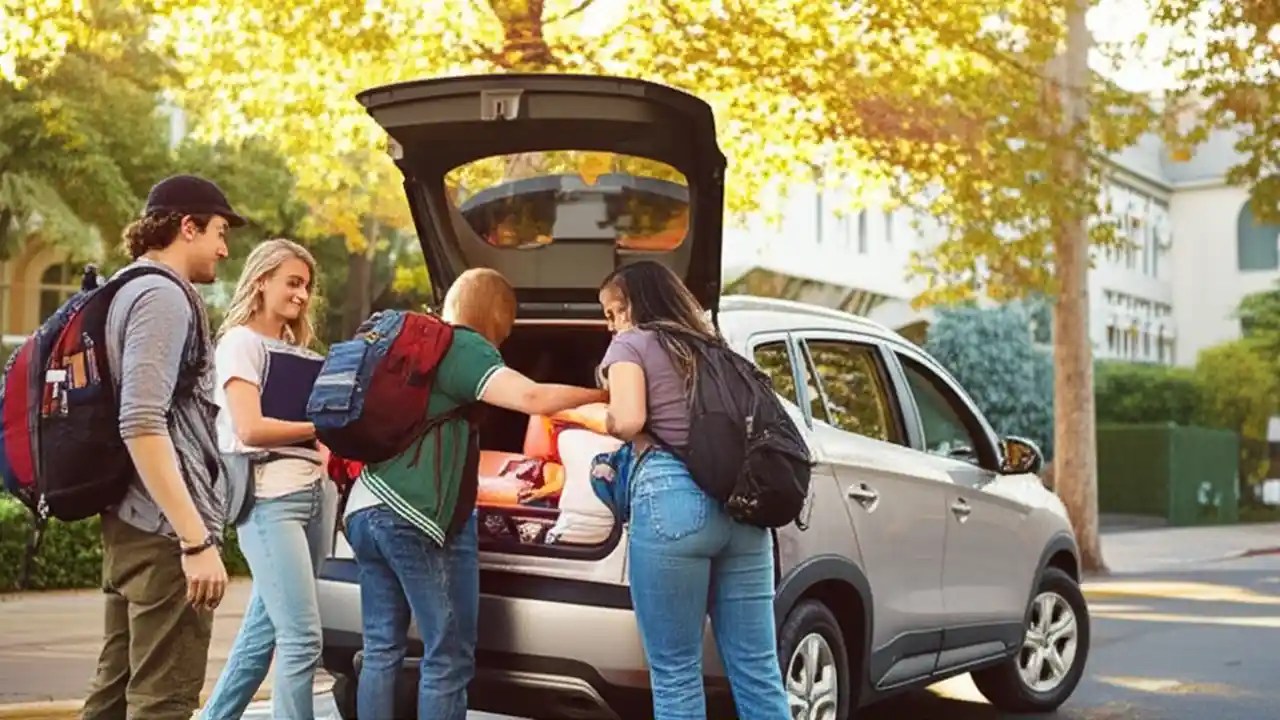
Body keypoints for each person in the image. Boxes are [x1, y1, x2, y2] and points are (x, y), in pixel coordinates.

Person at [342, 267, 608, 720]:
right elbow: (532, 398)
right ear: (497, 315)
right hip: (415, 515)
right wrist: (602, 393)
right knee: (448, 655)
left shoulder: (412, 351)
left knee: (381, 647)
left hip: (365, 507)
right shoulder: (464, 347)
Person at [596, 260, 790, 720]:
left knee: (677, 672)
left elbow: (628, 421)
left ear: (632, 307)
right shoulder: (718, 351)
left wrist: (603, 415)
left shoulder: (631, 344)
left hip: (672, 501)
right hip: (744, 511)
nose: (610, 326)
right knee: (759, 669)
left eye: (612, 312)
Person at [81, 175, 242, 720]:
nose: (224, 247)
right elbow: (142, 422)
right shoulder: (162, 298)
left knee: (113, 694)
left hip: (132, 521)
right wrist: (194, 541)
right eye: (219, 232)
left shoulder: (124, 289)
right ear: (186, 226)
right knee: (162, 702)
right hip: (162, 534)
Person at [201, 239, 333, 720]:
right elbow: (250, 427)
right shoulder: (240, 342)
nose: (301, 295)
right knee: (302, 640)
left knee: (264, 636)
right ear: (261, 282)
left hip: (315, 496)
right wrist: (322, 426)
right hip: (269, 499)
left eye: (307, 287)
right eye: (292, 282)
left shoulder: (298, 351)